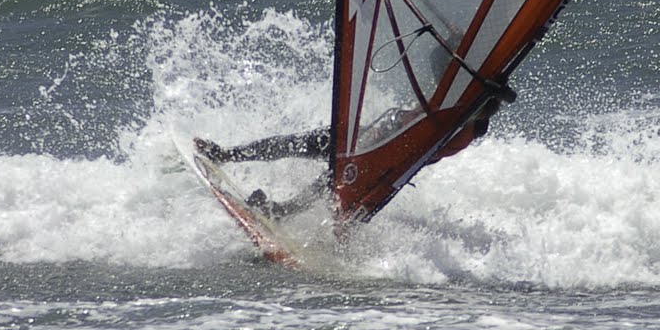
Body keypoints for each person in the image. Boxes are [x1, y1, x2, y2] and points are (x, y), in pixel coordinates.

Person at [194, 91, 505, 219]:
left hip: (377, 162)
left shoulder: (457, 135)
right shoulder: (456, 101)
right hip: (363, 136)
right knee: (296, 143)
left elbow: (411, 159)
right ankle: (226, 154)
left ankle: (281, 213)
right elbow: (442, 60)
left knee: (327, 182)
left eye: (473, 108)